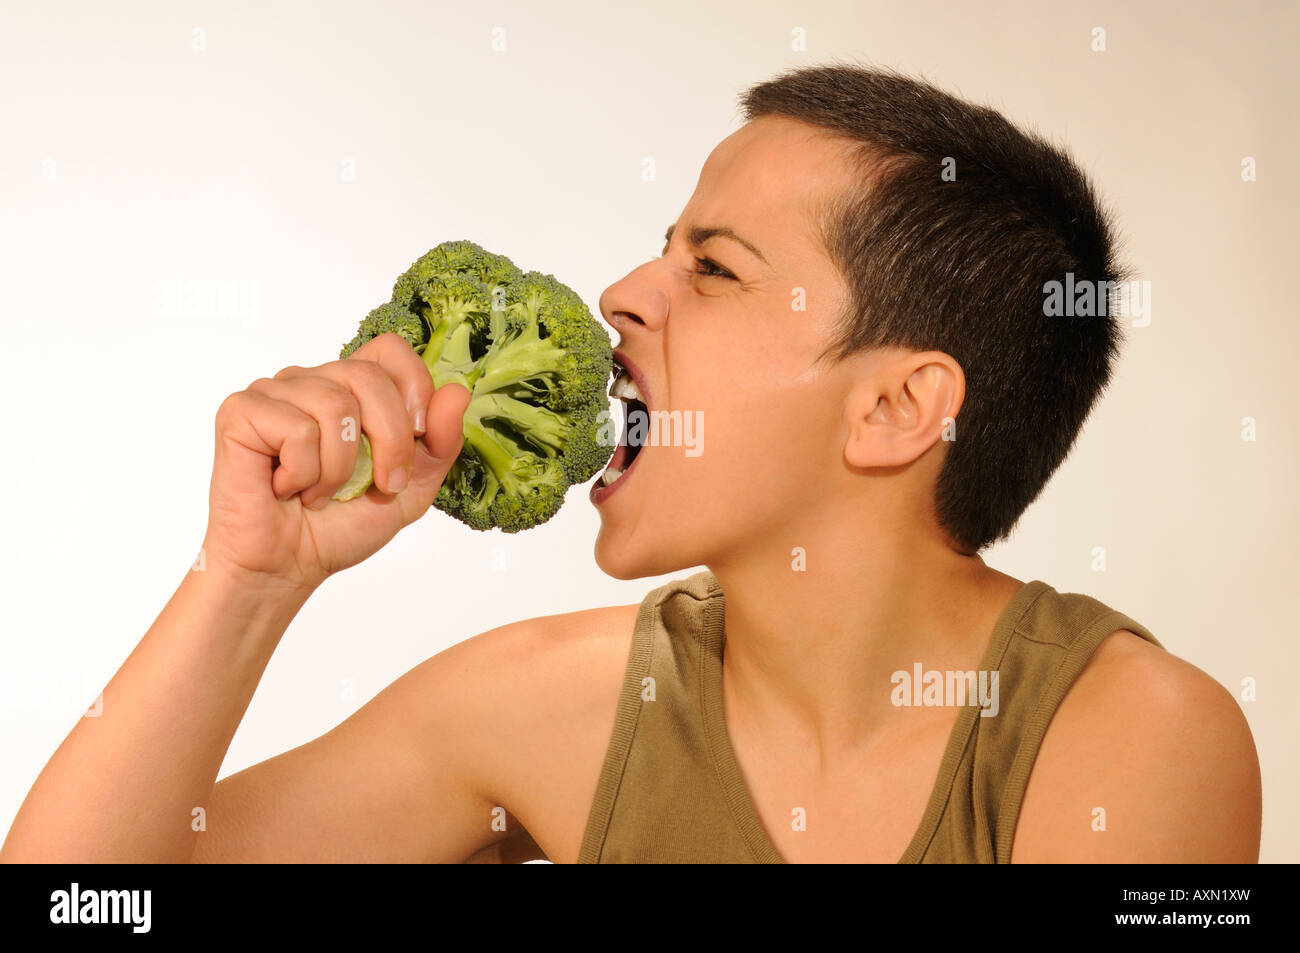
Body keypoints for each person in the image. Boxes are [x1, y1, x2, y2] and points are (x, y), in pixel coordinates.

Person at [0, 65, 1261, 864]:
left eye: (713, 267)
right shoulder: (546, 705)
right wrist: (249, 577)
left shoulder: (1129, 735)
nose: (620, 292)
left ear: (893, 405)